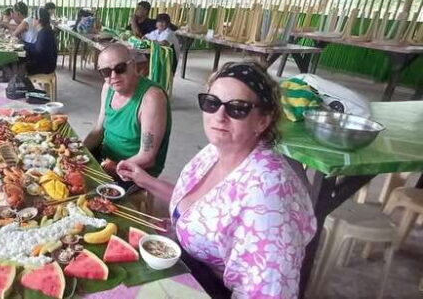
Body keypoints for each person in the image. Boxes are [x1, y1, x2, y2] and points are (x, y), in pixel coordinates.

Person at [116, 62, 316, 298]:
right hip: (183, 263)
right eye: (212, 103)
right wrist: (143, 179)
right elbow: (199, 206)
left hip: (212, 287)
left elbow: (270, 291)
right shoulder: (215, 150)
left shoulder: (269, 194)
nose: (219, 116)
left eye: (238, 108)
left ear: (263, 120)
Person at [83, 43, 171, 186]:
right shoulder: (108, 88)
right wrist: (80, 150)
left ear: (133, 66)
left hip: (135, 170)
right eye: (106, 72)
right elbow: (99, 130)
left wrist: (114, 167)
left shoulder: (151, 98)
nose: (113, 76)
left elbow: (147, 157)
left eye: (120, 68)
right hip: (106, 158)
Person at [23, 7, 58, 75]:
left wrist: (25, 50)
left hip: (45, 67)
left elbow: (38, 53)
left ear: (38, 20)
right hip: (44, 63)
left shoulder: (44, 34)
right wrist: (22, 44)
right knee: (18, 61)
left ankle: (16, 83)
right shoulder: (44, 31)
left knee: (15, 64)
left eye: (33, 17)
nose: (32, 19)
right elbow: (36, 46)